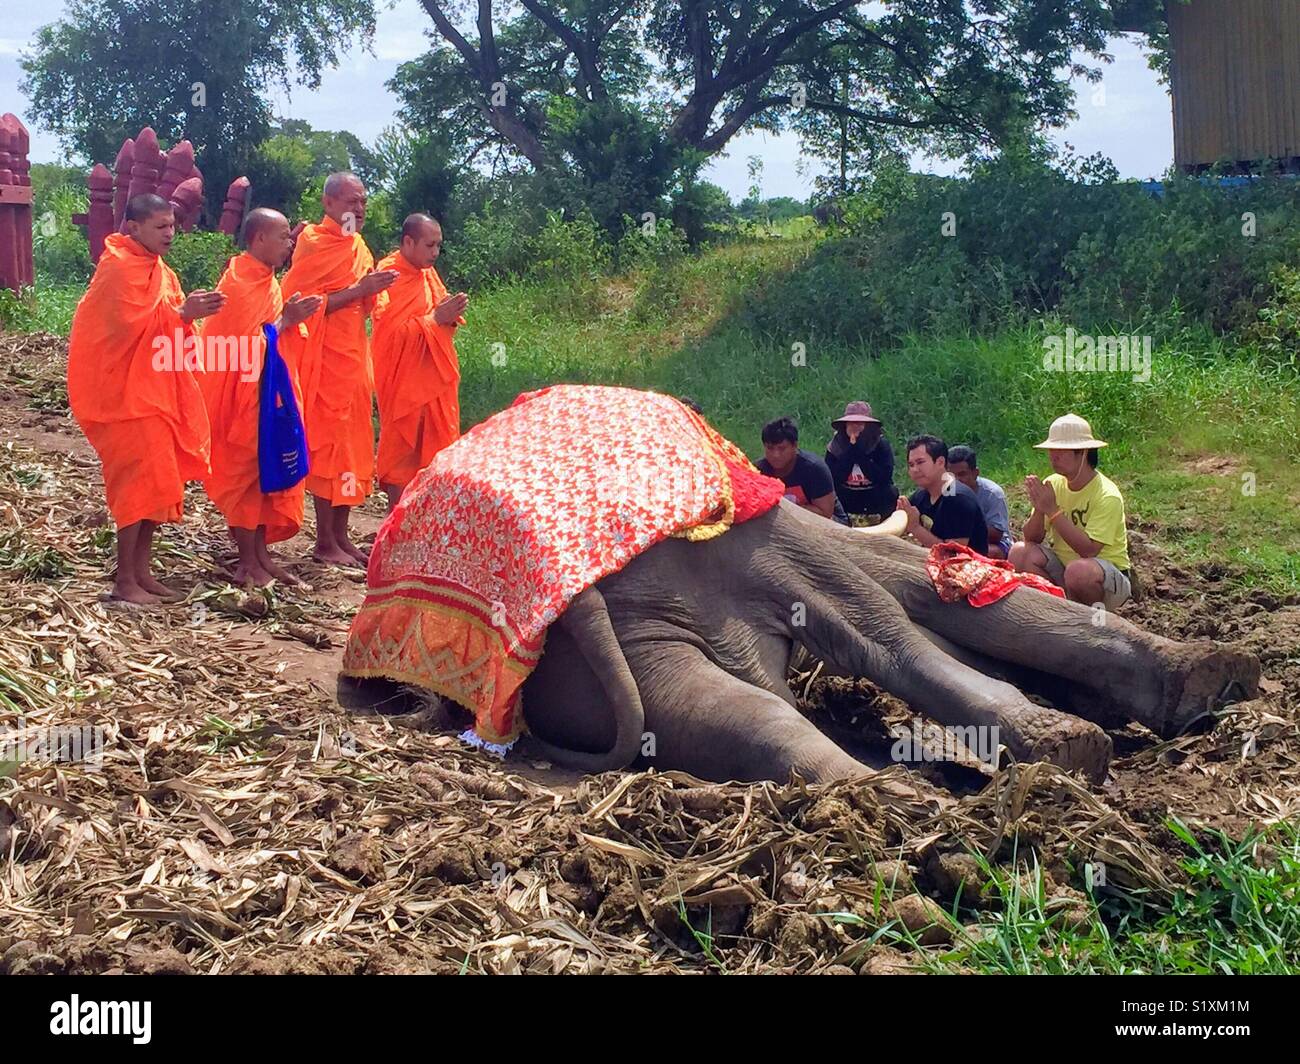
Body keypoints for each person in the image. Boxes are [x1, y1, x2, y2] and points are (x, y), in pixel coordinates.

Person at [67, 193, 226, 604]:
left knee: (156, 485)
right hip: (124, 398)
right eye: (160, 226)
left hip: (156, 393)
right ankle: (123, 582)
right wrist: (182, 315)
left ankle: (142, 573)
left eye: (172, 225)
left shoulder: (162, 271)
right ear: (134, 228)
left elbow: (170, 327)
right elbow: (124, 329)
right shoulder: (118, 268)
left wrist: (188, 315)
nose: (169, 233)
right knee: (135, 488)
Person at [198, 209, 323, 584]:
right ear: (257, 240)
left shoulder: (267, 280)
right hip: (241, 397)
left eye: (290, 237)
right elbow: (234, 348)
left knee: (266, 471)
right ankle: (247, 560)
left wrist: (286, 321)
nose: (289, 244)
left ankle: (261, 556)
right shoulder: (237, 283)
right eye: (283, 237)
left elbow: (269, 336)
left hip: (270, 392)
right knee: (246, 475)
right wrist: (287, 321)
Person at [279, 172, 398, 566]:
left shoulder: (359, 246)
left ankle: (342, 538)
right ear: (328, 204)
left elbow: (365, 305)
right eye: (350, 202)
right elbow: (306, 305)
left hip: (354, 358)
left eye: (363, 202)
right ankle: (325, 541)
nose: (359, 209)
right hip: (324, 359)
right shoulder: (314, 242)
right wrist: (362, 291)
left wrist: (373, 291)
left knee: (353, 450)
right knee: (329, 449)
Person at [373, 214, 467, 512]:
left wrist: (448, 318)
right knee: (402, 448)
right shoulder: (389, 273)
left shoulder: (427, 273)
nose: (435, 253)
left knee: (435, 451)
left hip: (433, 378)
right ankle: (396, 523)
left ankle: (426, 522)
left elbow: (441, 321)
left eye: (439, 246)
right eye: (429, 245)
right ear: (408, 242)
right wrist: (435, 319)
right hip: (403, 380)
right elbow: (389, 335)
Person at [1009, 414, 1131, 609]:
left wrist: (1053, 511)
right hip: (1065, 571)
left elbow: (1089, 550)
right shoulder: (1054, 483)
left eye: (1061, 450)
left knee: (1079, 572)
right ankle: (1061, 609)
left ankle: (1096, 618)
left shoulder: (1107, 495)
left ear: (1082, 452)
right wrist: (1040, 510)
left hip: (1103, 578)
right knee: (1019, 552)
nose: (1053, 456)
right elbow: (1032, 538)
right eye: (1051, 450)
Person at [896, 435, 988, 554]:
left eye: (920, 462)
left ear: (940, 462)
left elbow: (952, 555)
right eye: (911, 464)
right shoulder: (921, 495)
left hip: (969, 568)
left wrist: (915, 528)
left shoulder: (959, 499)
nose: (914, 469)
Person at [757, 417, 848, 524]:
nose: (776, 455)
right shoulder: (758, 471)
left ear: (795, 446)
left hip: (831, 523)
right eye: (770, 448)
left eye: (782, 448)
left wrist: (785, 511)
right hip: (784, 523)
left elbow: (825, 513)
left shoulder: (814, 469)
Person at [824, 401, 898, 525]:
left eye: (860, 423)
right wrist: (851, 451)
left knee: (891, 493)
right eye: (851, 423)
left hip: (873, 494)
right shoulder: (835, 447)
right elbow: (834, 477)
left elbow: (884, 477)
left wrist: (860, 455)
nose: (855, 427)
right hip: (847, 495)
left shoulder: (880, 445)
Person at [947, 445, 1012, 559]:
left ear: (975, 473)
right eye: (951, 475)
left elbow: (996, 534)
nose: (956, 480)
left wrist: (963, 530)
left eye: (962, 474)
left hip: (995, 544)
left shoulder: (992, 494)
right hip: (956, 542)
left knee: (983, 554)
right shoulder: (945, 491)